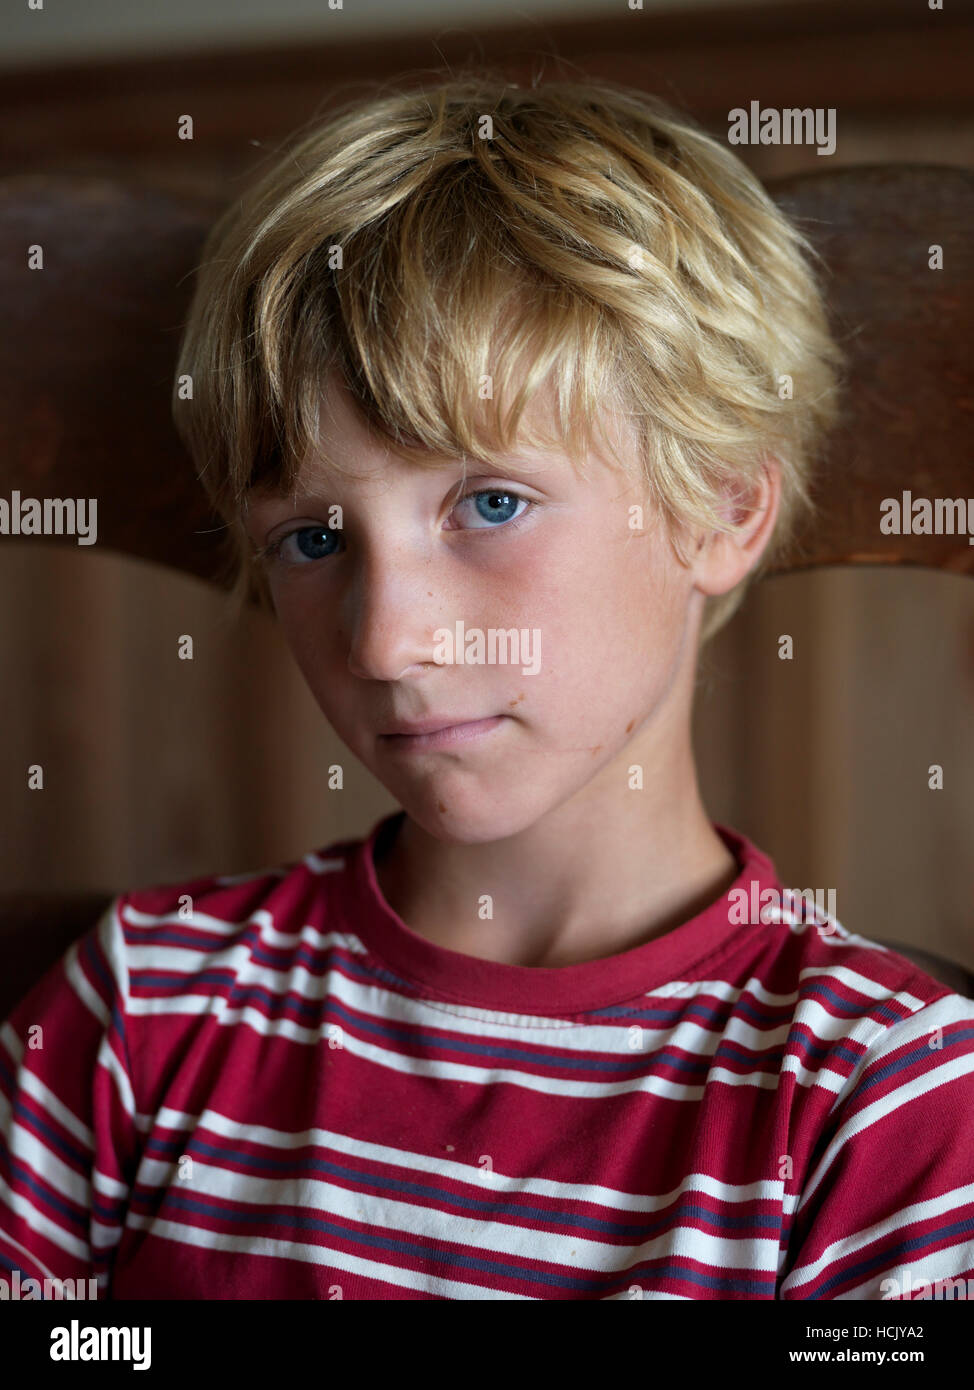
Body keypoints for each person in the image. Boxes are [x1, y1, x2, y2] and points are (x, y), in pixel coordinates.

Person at [2, 71, 972, 1302]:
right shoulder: (139, 1004)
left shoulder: (876, 1097)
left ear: (721, 506)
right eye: (311, 537)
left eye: (490, 503)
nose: (385, 640)